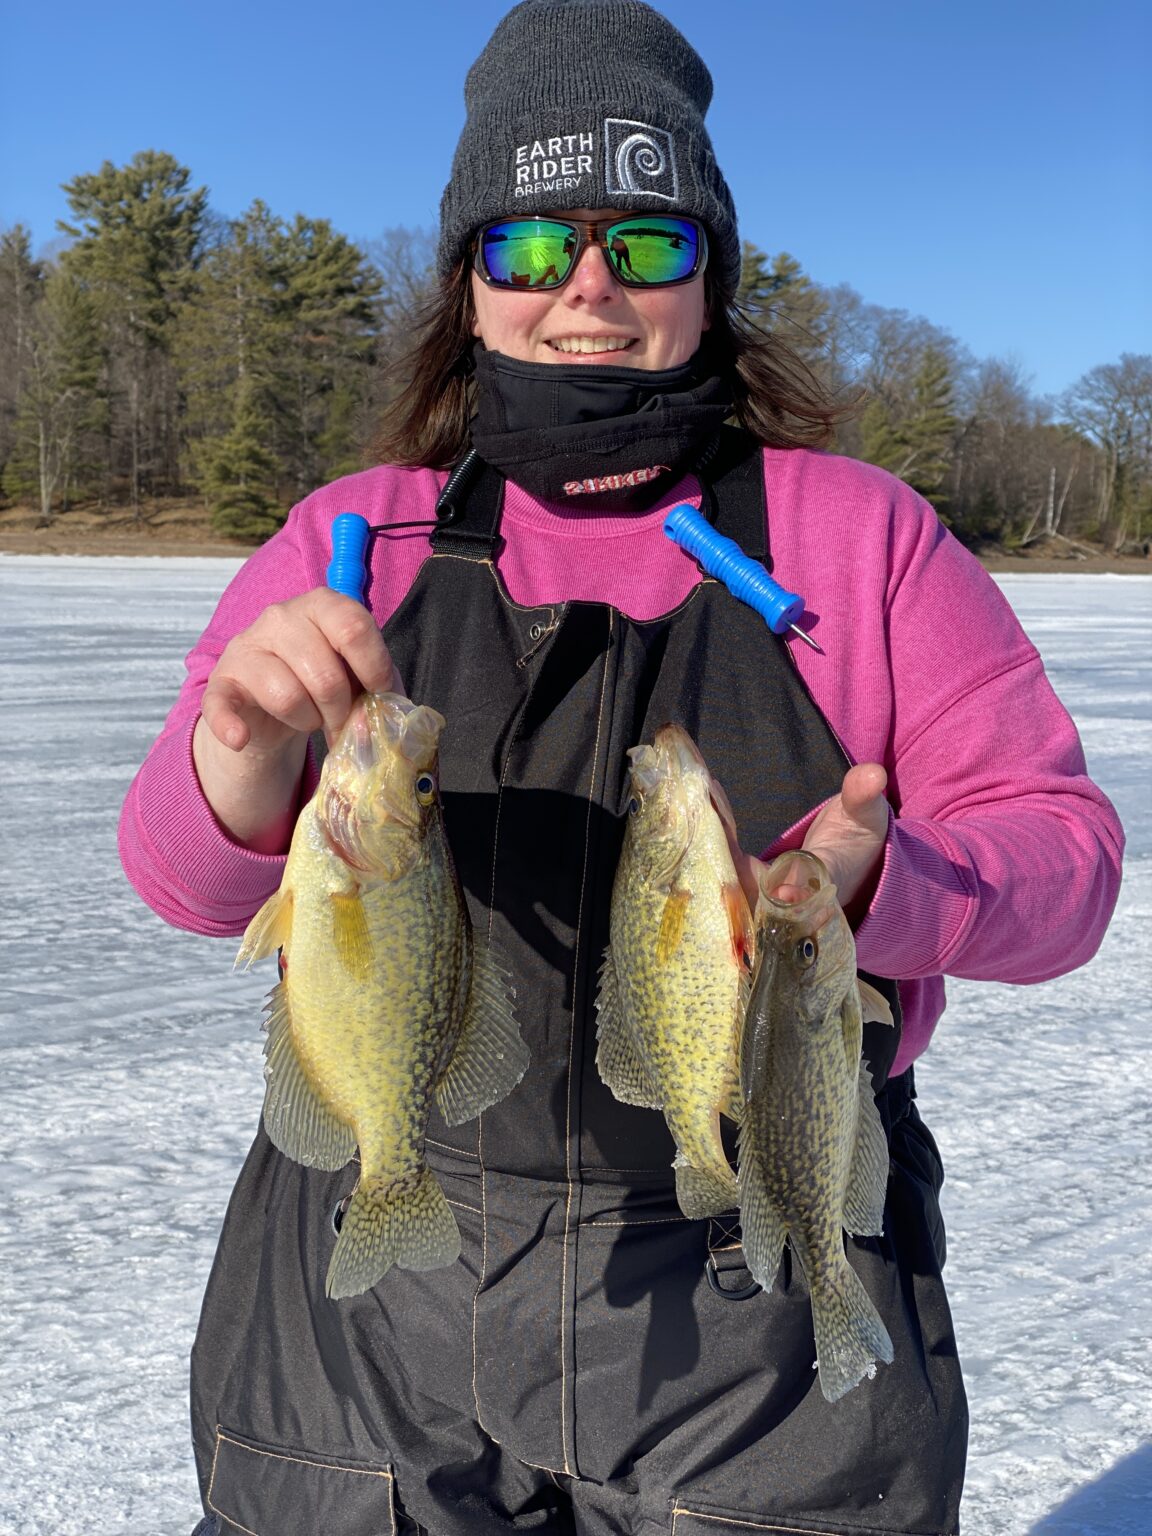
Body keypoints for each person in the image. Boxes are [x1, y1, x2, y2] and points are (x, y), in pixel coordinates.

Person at [119, 3, 1124, 1532]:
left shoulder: (857, 542)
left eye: (644, 243)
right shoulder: (353, 537)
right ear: (468, 281)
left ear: (709, 273)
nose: (584, 288)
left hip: (752, 1321)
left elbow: (1069, 867)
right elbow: (183, 885)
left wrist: (889, 892)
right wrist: (239, 762)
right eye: (529, 246)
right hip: (367, 1344)